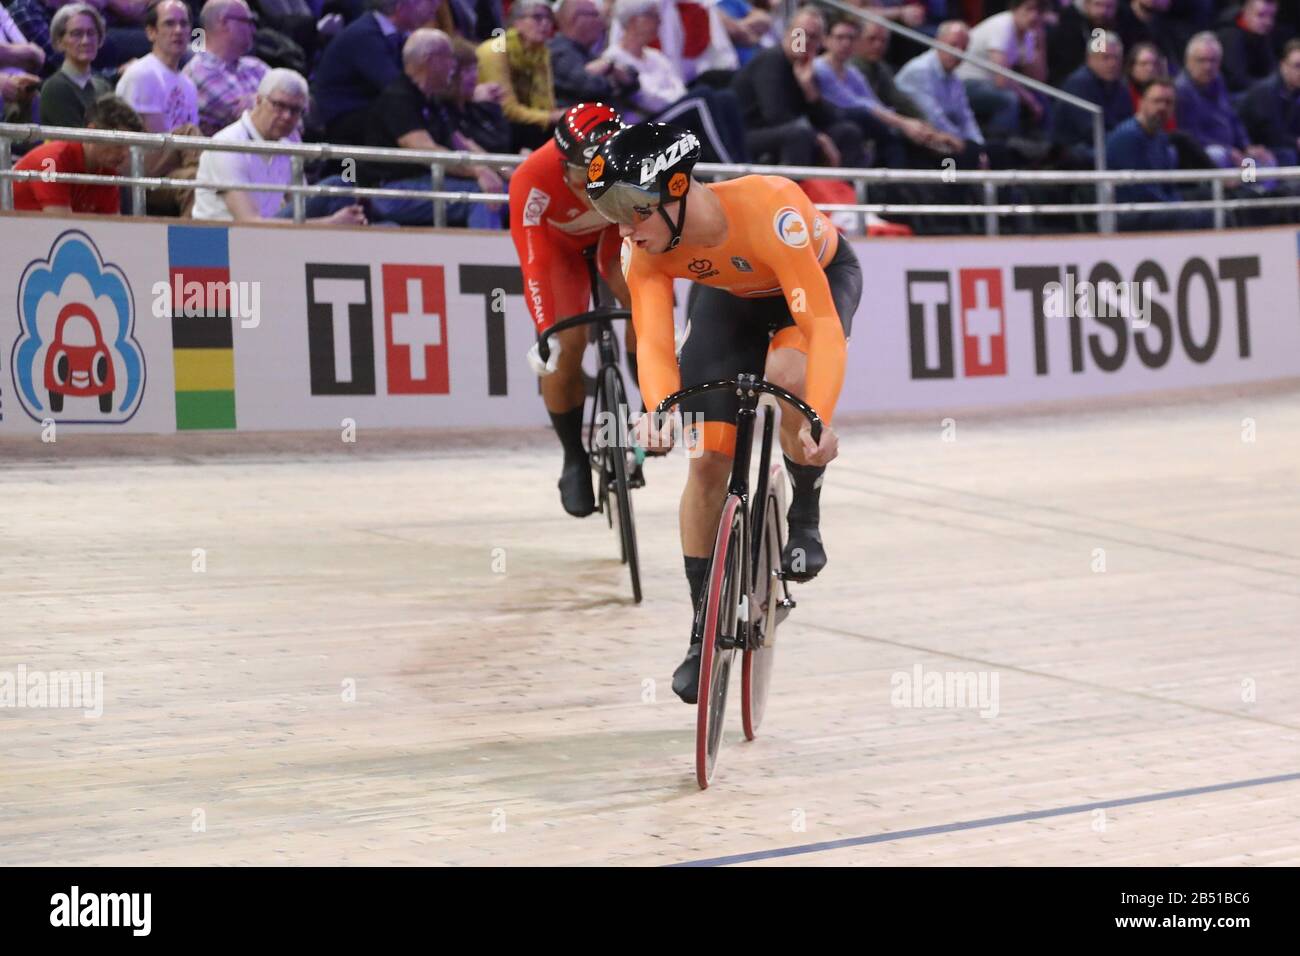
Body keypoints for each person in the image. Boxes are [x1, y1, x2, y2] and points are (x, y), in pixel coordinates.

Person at [586, 122, 862, 703]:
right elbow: (656, 342)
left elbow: (821, 327)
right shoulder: (645, 248)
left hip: (810, 289)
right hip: (731, 301)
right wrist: (658, 410)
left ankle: (805, 514)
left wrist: (821, 418)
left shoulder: (771, 207)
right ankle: (700, 631)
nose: (624, 229)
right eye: (611, 211)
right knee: (707, 461)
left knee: (788, 382)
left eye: (634, 209)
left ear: (679, 187)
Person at [515, 103, 634, 517]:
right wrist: (546, 330)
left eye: (597, 179)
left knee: (642, 301)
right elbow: (532, 262)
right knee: (566, 346)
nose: (587, 190)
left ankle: (652, 410)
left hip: (613, 236)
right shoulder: (531, 178)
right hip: (558, 248)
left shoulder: (631, 157)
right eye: (579, 179)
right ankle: (573, 456)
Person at [191, 68, 367, 224]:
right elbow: (248, 223)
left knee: (343, 187)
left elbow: (301, 206)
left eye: (295, 110)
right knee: (336, 188)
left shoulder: (288, 147)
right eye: (279, 106)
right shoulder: (227, 145)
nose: (286, 116)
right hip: (228, 239)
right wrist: (330, 224)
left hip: (268, 234)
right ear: (259, 101)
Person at [12, 94, 143, 213]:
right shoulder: (51, 161)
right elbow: (59, 227)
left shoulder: (107, 170)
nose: (125, 153)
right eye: (118, 144)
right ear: (92, 131)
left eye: (129, 146)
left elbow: (111, 227)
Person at [37, 4, 109, 128]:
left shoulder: (103, 86)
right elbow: (78, 143)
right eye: (77, 34)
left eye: (91, 33)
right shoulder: (55, 87)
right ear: (59, 42)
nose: (86, 41)